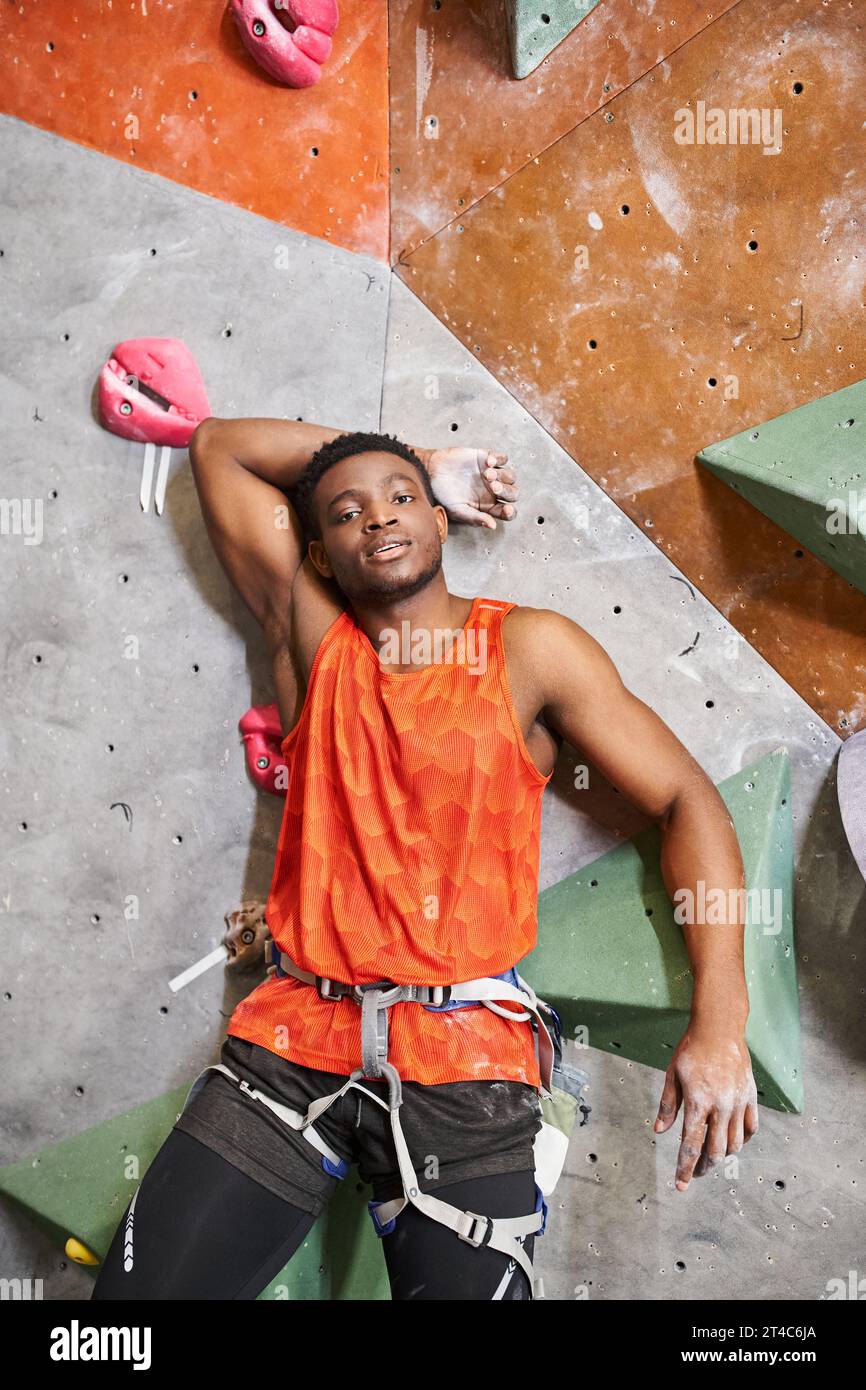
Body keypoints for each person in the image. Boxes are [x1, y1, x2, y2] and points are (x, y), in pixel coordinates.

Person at [92, 418, 758, 1301]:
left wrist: (721, 1022)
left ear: (442, 523)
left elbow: (689, 802)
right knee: (119, 1330)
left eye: (402, 500)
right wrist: (422, 461)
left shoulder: (528, 650)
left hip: (468, 1066)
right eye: (347, 512)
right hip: (292, 1043)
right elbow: (219, 448)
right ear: (321, 554)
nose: (379, 518)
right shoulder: (311, 639)